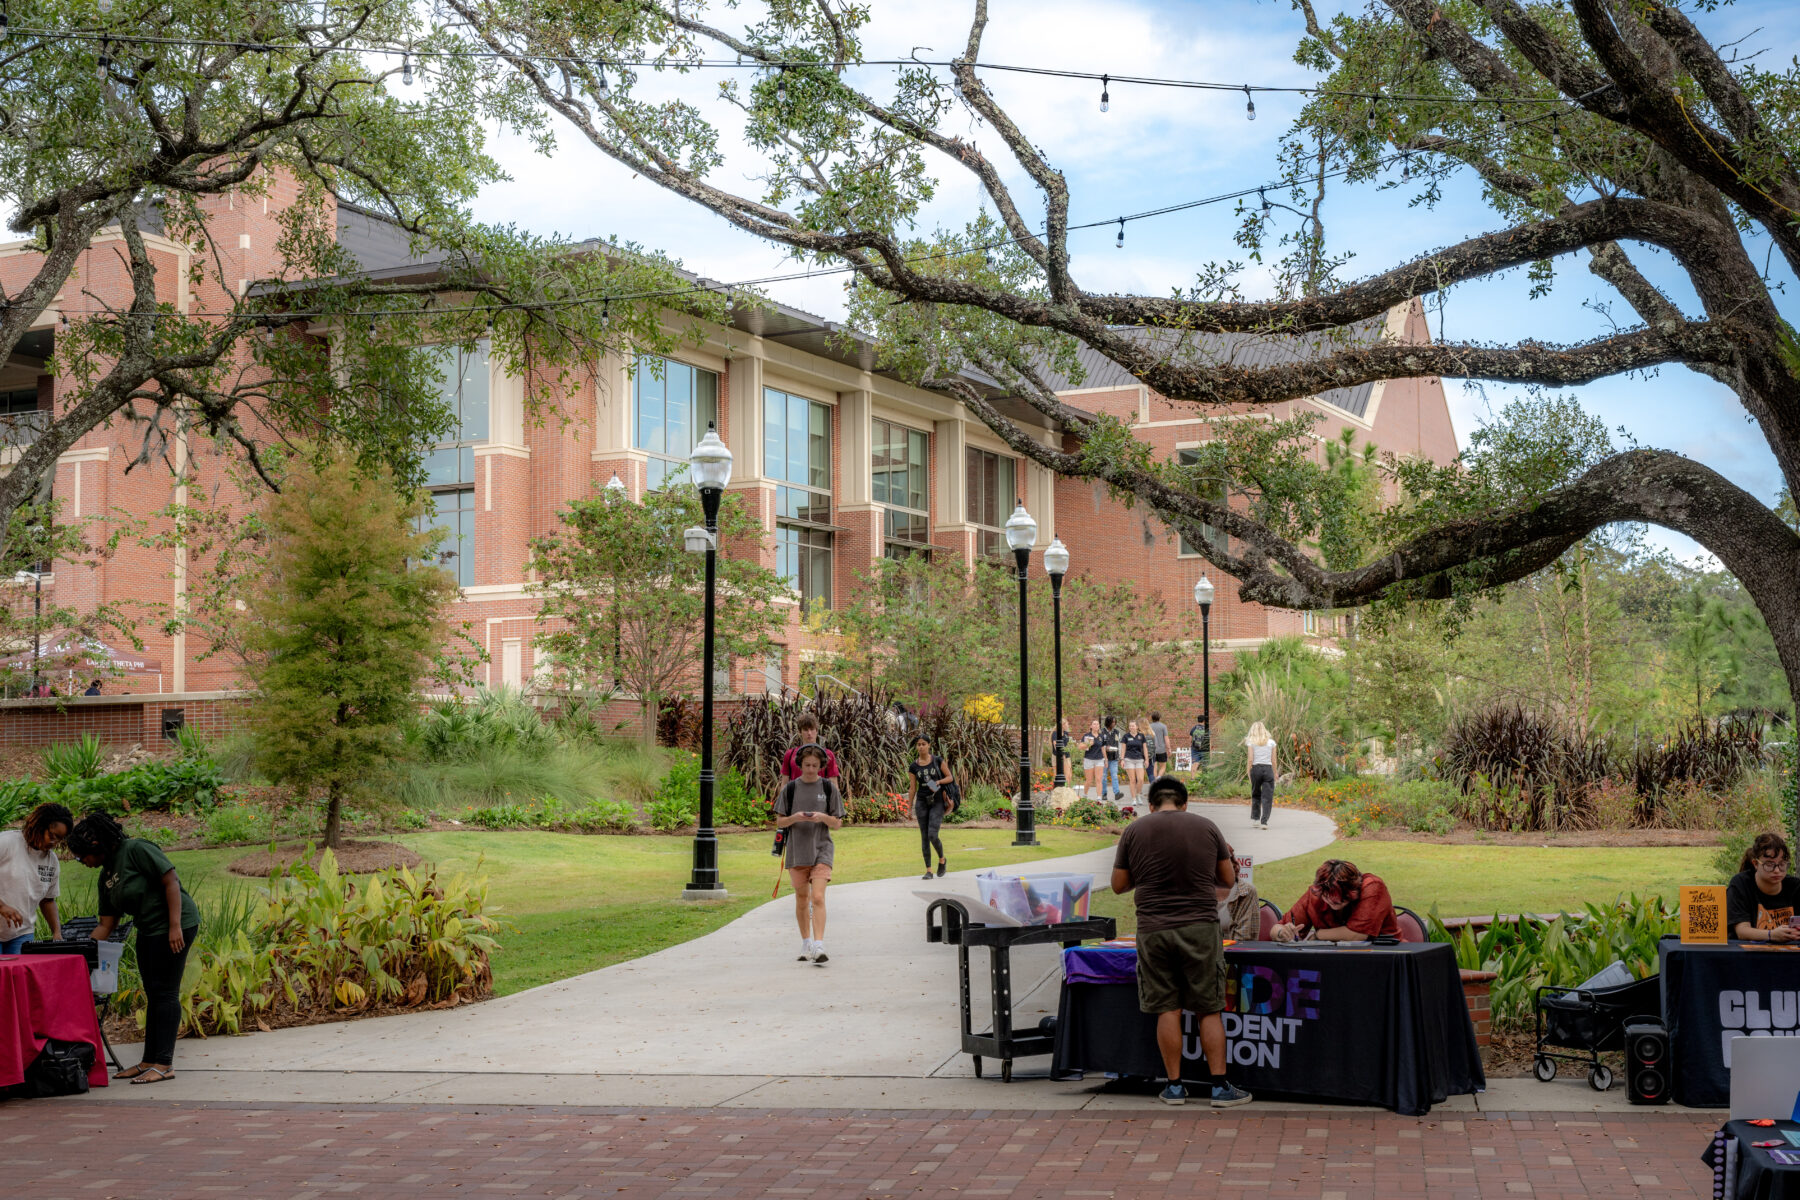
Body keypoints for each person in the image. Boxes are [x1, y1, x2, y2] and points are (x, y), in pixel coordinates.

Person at [1110, 775, 1252, 1108]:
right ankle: (1219, 1088)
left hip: (1153, 929)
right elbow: (1228, 880)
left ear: (1151, 805)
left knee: (1167, 1009)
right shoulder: (1207, 827)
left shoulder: (1134, 831)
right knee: (1208, 1009)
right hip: (1200, 928)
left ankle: (1174, 1087)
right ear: (1185, 803)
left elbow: (1118, 885)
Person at [65, 812, 201, 1084]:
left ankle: (164, 1064)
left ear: (95, 845)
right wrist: (80, 952)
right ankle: (148, 1061)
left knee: (165, 992)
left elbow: (171, 881)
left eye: (81, 857)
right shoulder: (105, 876)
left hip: (176, 925)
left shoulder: (135, 849)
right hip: (148, 929)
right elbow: (107, 924)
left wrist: (175, 926)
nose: (82, 863)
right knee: (153, 992)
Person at [774, 746, 844, 965]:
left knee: (818, 897)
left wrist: (822, 817)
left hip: (822, 848)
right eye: (807, 765)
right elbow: (779, 821)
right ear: (800, 765)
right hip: (797, 851)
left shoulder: (829, 788)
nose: (811, 769)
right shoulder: (790, 789)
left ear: (821, 766)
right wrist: (795, 817)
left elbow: (837, 823)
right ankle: (806, 943)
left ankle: (819, 945)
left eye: (815, 765)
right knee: (802, 899)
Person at [0, 802, 72, 952]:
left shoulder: (51, 861)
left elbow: (47, 900)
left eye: (59, 839)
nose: (53, 843)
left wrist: (57, 932)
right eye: (51, 836)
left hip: (21, 934)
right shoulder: (6, 842)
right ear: (40, 825)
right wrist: (2, 907)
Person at [1271, 859, 1399, 942]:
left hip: (1384, 957)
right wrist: (1282, 932)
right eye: (1327, 895)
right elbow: (1276, 929)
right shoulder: (1316, 894)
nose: (1333, 900)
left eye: (1340, 897)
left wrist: (1319, 935)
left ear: (1354, 889)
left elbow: (1358, 935)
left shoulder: (1373, 886)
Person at [1728, 832, 1800, 943]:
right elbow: (1742, 932)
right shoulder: (1741, 884)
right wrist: (1771, 935)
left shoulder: (1795, 886)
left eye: (1782, 864)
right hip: (1749, 951)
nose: (1777, 870)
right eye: (1769, 865)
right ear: (1755, 864)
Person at [907, 734, 957, 880]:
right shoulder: (913, 766)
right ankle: (928, 870)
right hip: (922, 801)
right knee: (924, 836)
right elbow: (912, 788)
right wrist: (909, 808)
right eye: (918, 744)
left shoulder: (937, 760)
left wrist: (938, 782)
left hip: (937, 800)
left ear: (929, 745)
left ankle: (942, 859)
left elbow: (950, 777)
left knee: (932, 835)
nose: (921, 747)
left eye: (923, 744)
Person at [779, 713, 840, 787]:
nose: (809, 733)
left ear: (816, 731)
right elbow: (784, 783)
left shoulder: (827, 754)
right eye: (805, 730)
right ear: (799, 732)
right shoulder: (790, 755)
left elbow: (834, 784)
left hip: (819, 794)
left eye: (812, 729)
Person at [1244, 720, 1278, 829]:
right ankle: (1264, 822)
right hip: (1268, 769)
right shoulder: (1272, 742)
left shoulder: (1251, 742)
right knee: (1267, 797)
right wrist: (1275, 772)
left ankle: (1256, 819)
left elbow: (1250, 759)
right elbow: (1274, 760)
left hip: (1256, 769)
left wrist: (1248, 771)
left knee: (1256, 793)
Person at [1120, 719, 1150, 812]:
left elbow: (1145, 748)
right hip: (1129, 759)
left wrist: (1147, 759)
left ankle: (1138, 794)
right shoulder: (1126, 736)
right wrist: (1122, 759)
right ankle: (1133, 799)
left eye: (1133, 726)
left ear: (1137, 727)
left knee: (1140, 779)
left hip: (1139, 759)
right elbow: (1123, 749)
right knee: (1132, 780)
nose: (1131, 727)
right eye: (1130, 726)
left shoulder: (1141, 736)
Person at [1100, 716, 1123, 804]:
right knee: (1104, 777)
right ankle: (1104, 793)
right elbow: (1100, 744)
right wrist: (1105, 748)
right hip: (1104, 758)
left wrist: (1120, 757)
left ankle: (1117, 793)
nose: (1114, 724)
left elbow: (1120, 744)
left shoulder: (1117, 732)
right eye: (1112, 722)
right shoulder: (1102, 732)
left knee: (1114, 776)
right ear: (1108, 722)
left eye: (1115, 722)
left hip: (1114, 758)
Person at [1080, 719, 1104, 801]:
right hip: (1089, 759)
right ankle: (1085, 794)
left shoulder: (1101, 736)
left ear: (1099, 726)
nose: (1096, 725)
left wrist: (1106, 759)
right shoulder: (1087, 736)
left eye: (1097, 724)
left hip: (1099, 759)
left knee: (1098, 779)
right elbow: (1080, 747)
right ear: (1091, 726)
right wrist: (1088, 744)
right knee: (1089, 780)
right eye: (1094, 724)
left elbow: (1103, 748)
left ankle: (1099, 797)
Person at [1149, 712, 1170, 781]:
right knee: (1163, 766)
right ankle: (1158, 778)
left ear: (1152, 718)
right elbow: (1166, 739)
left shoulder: (1149, 726)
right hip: (1161, 750)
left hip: (1152, 750)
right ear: (1159, 718)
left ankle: (1154, 781)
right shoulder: (1163, 726)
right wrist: (1169, 748)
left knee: (1154, 767)